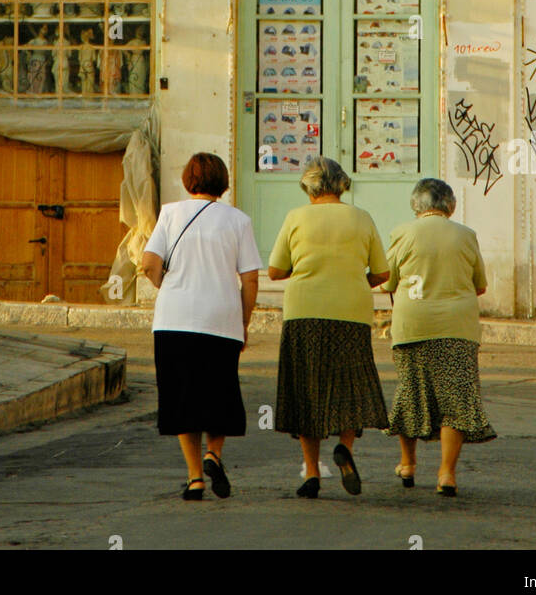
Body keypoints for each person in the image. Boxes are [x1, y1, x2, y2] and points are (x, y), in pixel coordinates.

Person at [268, 156, 390, 498]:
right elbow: (382, 274)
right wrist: (351, 277)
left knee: (306, 391)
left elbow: (276, 271)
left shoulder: (296, 217)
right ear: (342, 184)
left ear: (309, 187)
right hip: (350, 312)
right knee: (349, 385)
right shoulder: (361, 218)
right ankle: (345, 448)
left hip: (304, 312)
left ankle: (311, 472)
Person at [142, 153, 261, 500]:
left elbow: (149, 263)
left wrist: (170, 287)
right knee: (219, 392)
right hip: (221, 319)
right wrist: (244, 321)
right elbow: (250, 277)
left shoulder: (170, 213)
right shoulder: (238, 220)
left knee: (182, 397)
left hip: (173, 320)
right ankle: (214, 455)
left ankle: (195, 478)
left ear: (186, 179)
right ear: (223, 181)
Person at [384, 177, 496, 497]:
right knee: (454, 401)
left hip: (411, 326)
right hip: (457, 330)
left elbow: (388, 281)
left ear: (415, 205)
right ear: (450, 205)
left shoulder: (401, 233)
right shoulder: (466, 235)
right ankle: (446, 474)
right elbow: (480, 285)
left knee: (411, 394)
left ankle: (407, 465)